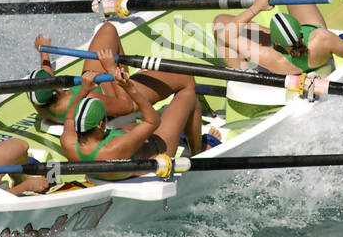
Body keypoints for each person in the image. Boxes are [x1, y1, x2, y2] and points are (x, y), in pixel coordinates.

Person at [31, 24, 210, 154]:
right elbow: (125, 104)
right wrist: (112, 71)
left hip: (98, 83)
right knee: (186, 78)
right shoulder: (87, 98)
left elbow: (46, 76)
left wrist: (44, 52)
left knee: (108, 29)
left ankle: (124, 73)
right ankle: (197, 148)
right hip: (121, 96)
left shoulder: (41, 104)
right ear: (55, 91)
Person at [61, 50, 201, 180]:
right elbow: (153, 121)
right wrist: (129, 88)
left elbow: (69, 117)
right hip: (158, 150)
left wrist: (83, 90)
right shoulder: (114, 147)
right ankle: (198, 152)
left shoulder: (68, 143)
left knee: (129, 126)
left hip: (110, 171)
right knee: (188, 95)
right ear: (101, 124)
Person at [212, 0, 343, 75]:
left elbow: (226, 34)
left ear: (275, 43)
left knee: (219, 21)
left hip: (287, 68)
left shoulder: (272, 58)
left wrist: (256, 7)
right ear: (300, 28)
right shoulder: (323, 38)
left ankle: (242, 73)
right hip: (319, 54)